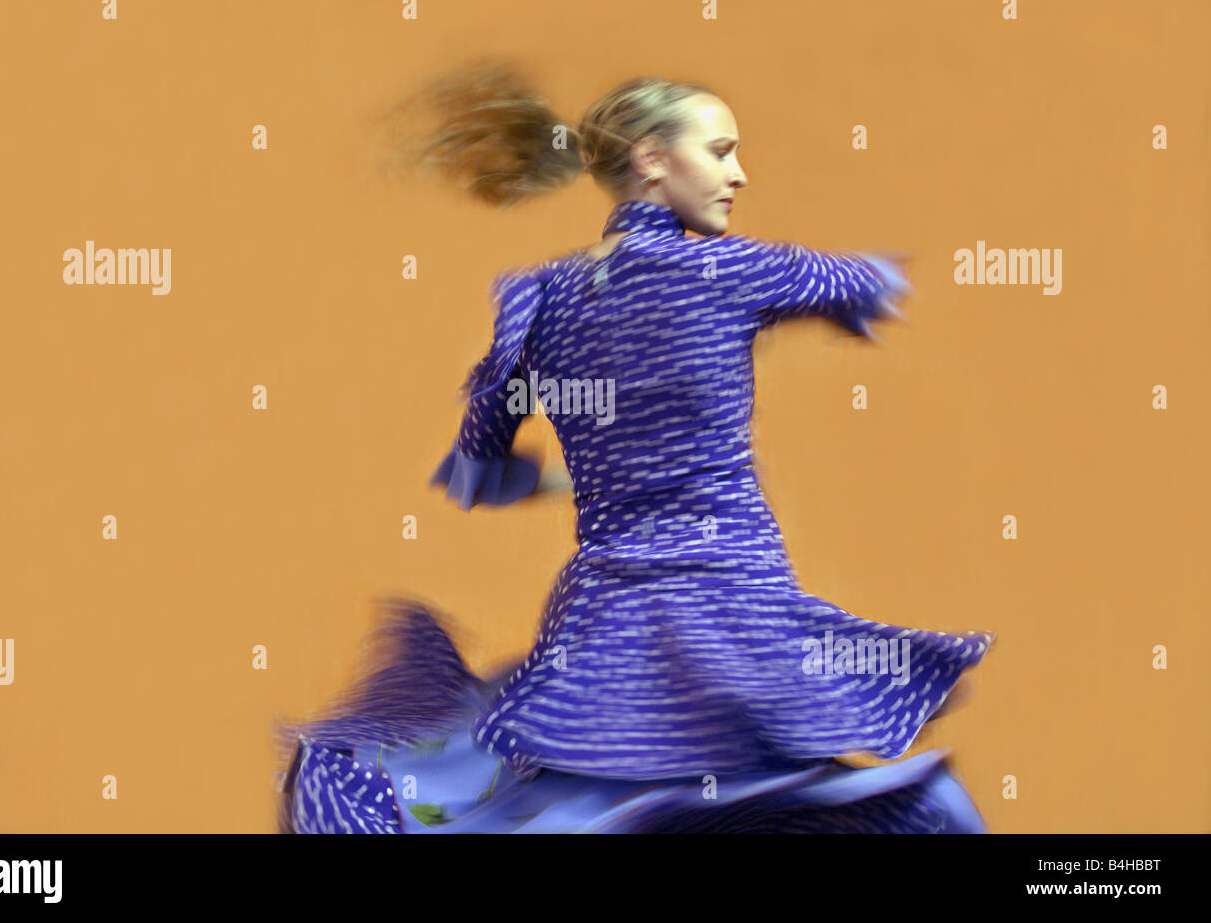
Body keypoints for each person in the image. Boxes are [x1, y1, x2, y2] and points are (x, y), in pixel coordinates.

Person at [274, 61, 996, 833]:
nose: (739, 174)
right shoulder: (732, 269)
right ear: (653, 160)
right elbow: (869, 284)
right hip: (734, 610)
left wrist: (586, 482)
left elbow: (479, 467)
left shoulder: (536, 296)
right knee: (901, 817)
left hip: (600, 631)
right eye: (721, 152)